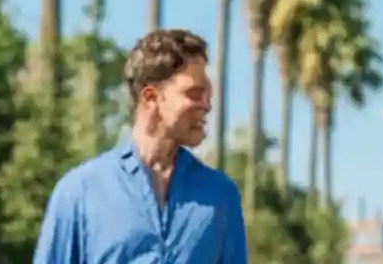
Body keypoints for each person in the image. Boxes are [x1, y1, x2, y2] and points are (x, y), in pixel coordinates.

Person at [34, 28, 248, 263]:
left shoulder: (220, 195)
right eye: (194, 94)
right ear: (150, 98)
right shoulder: (79, 193)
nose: (206, 105)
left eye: (208, 95)